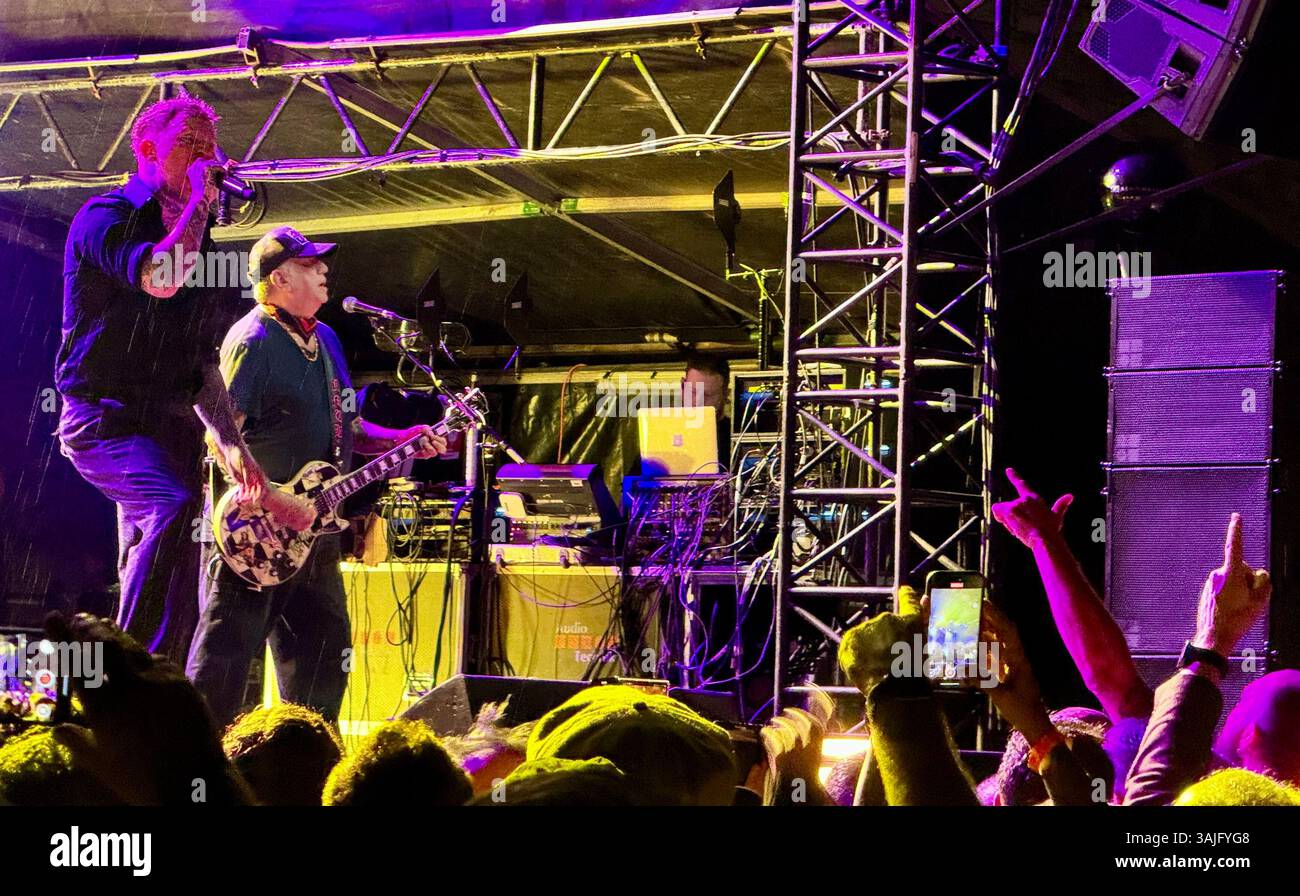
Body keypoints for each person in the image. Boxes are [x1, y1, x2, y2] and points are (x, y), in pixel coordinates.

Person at [184, 227, 449, 729]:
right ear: (279, 279)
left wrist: (402, 439)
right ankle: (196, 762)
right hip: (252, 534)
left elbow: (349, 429)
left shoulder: (325, 339)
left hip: (315, 533)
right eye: (310, 264)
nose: (325, 269)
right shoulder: (252, 340)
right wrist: (274, 500)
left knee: (322, 659)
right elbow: (219, 439)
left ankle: (304, 759)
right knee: (224, 661)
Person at [54, 96, 269, 663]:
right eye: (189, 145)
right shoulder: (107, 216)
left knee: (168, 561)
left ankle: (144, 680)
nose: (205, 158)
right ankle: (125, 663)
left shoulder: (203, 244)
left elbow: (200, 362)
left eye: (210, 148)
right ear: (148, 150)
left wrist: (232, 444)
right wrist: (199, 201)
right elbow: (161, 279)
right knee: (170, 505)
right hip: (104, 418)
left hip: (167, 425)